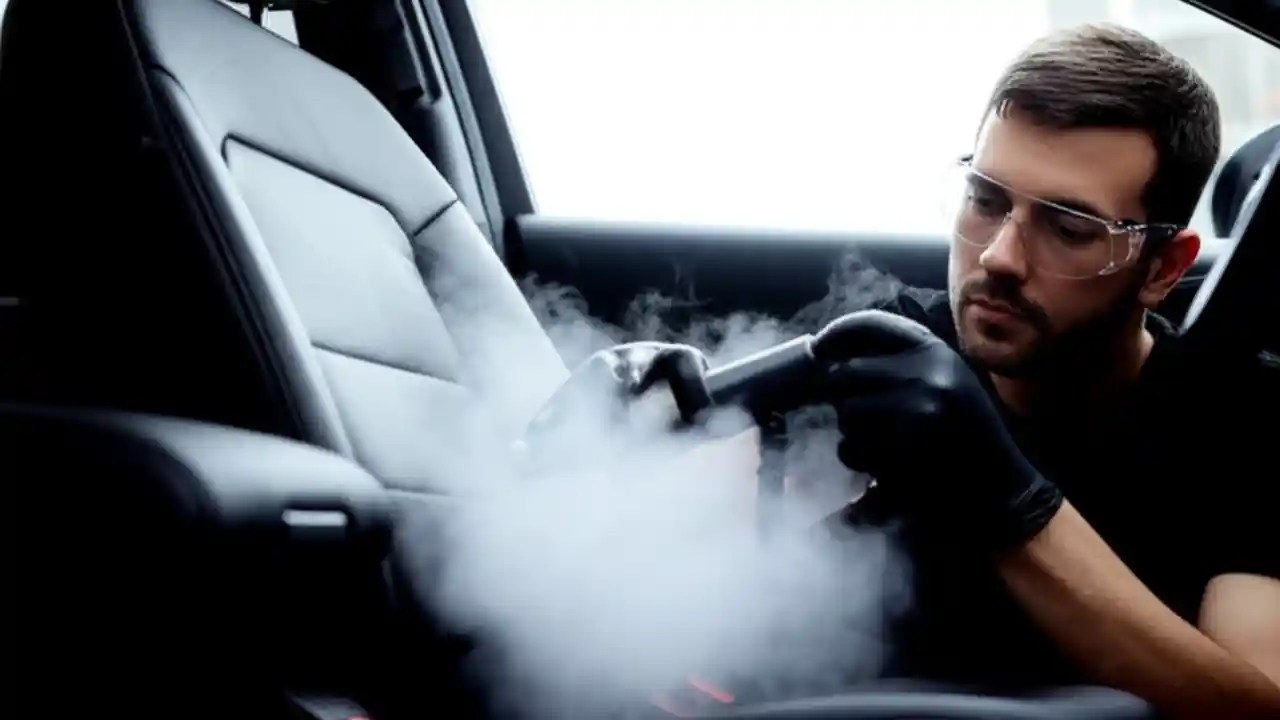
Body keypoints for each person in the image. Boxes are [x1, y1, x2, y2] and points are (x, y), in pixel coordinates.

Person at [808, 22, 1280, 720]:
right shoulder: (892, 353)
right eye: (986, 199)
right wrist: (680, 415)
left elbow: (1255, 706)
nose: (999, 256)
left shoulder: (1245, 422)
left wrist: (1010, 503)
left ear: (1162, 268)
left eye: (1068, 228)